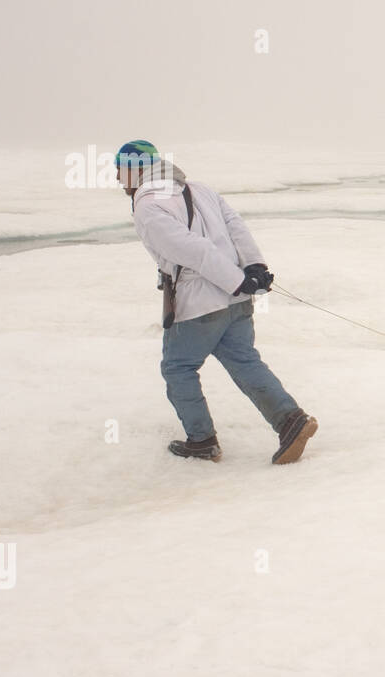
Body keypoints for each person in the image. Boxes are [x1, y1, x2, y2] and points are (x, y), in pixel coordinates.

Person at [115, 139, 317, 464]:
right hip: (234, 300)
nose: (116, 178)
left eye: (120, 170)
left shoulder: (149, 206)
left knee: (178, 368)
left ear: (137, 170)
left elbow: (195, 250)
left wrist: (241, 280)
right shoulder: (199, 189)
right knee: (243, 360)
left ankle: (202, 441)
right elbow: (235, 225)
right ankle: (290, 420)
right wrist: (253, 267)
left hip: (202, 302)